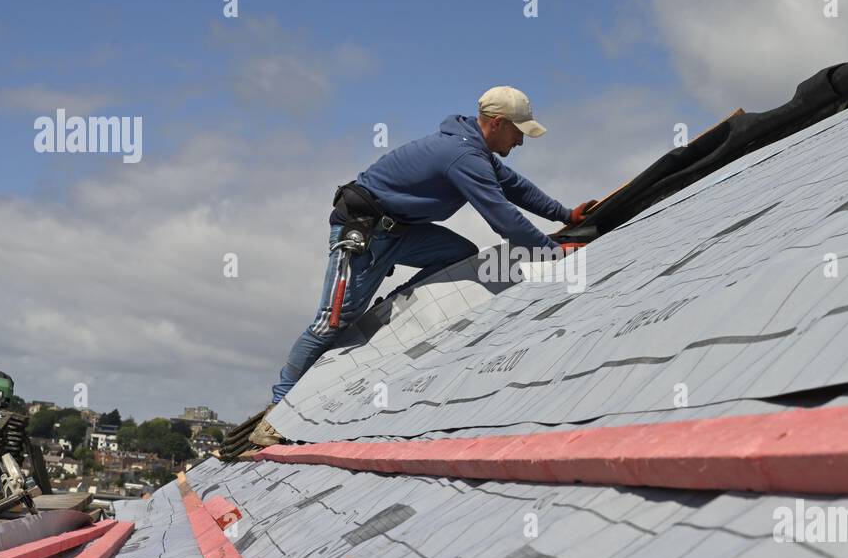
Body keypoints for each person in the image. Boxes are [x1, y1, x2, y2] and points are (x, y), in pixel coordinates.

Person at [251, 86, 594, 447]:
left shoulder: (475, 149)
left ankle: (391, 311)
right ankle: (276, 411)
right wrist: (551, 254)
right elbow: (502, 217)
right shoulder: (463, 155)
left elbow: (516, 188)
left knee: (457, 253)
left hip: (400, 232)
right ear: (496, 123)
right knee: (332, 322)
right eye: (518, 132)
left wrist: (564, 214)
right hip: (364, 233)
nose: (521, 141)